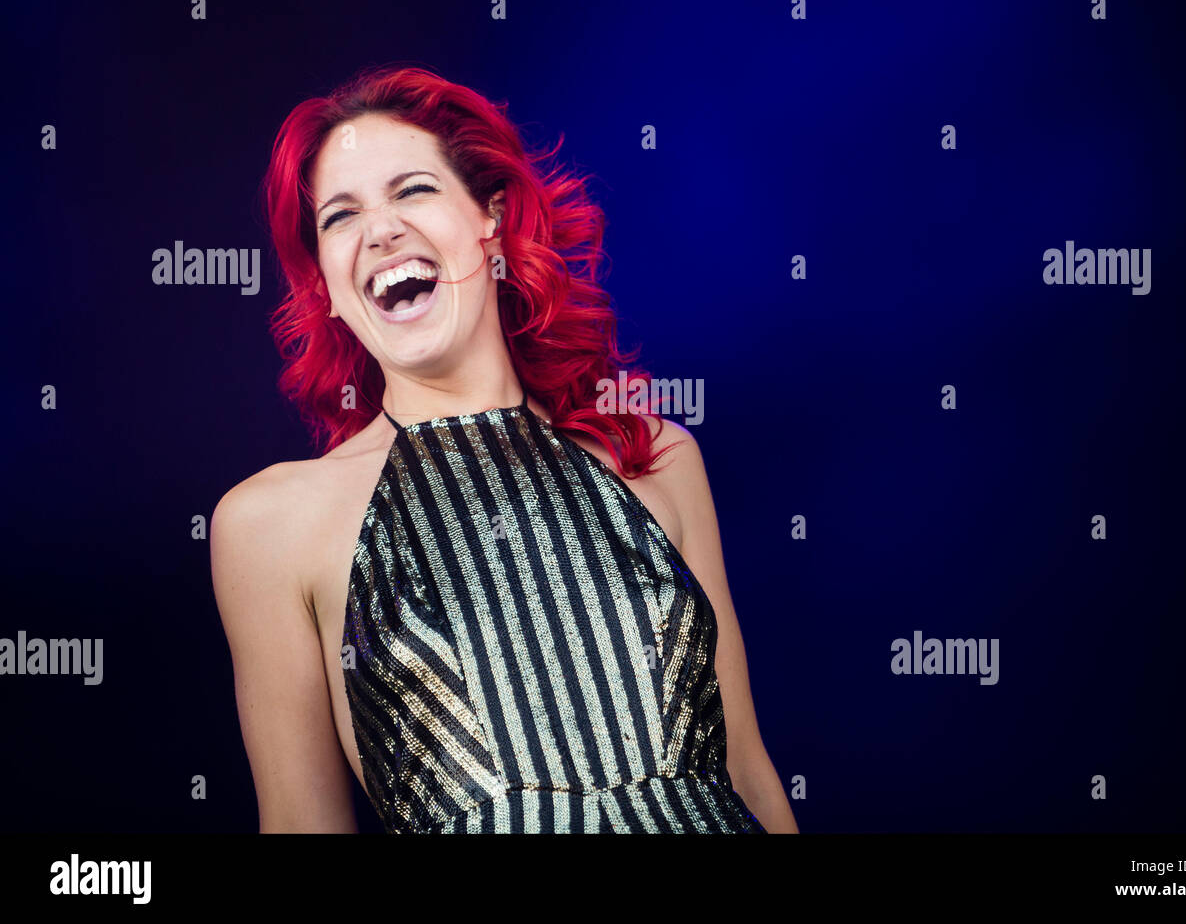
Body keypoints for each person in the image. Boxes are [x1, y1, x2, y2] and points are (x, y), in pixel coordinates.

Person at [210, 65, 797, 833]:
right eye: (340, 216)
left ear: (490, 218)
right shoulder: (269, 524)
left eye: (412, 189)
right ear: (323, 282)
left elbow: (748, 774)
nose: (381, 228)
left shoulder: (654, 454)